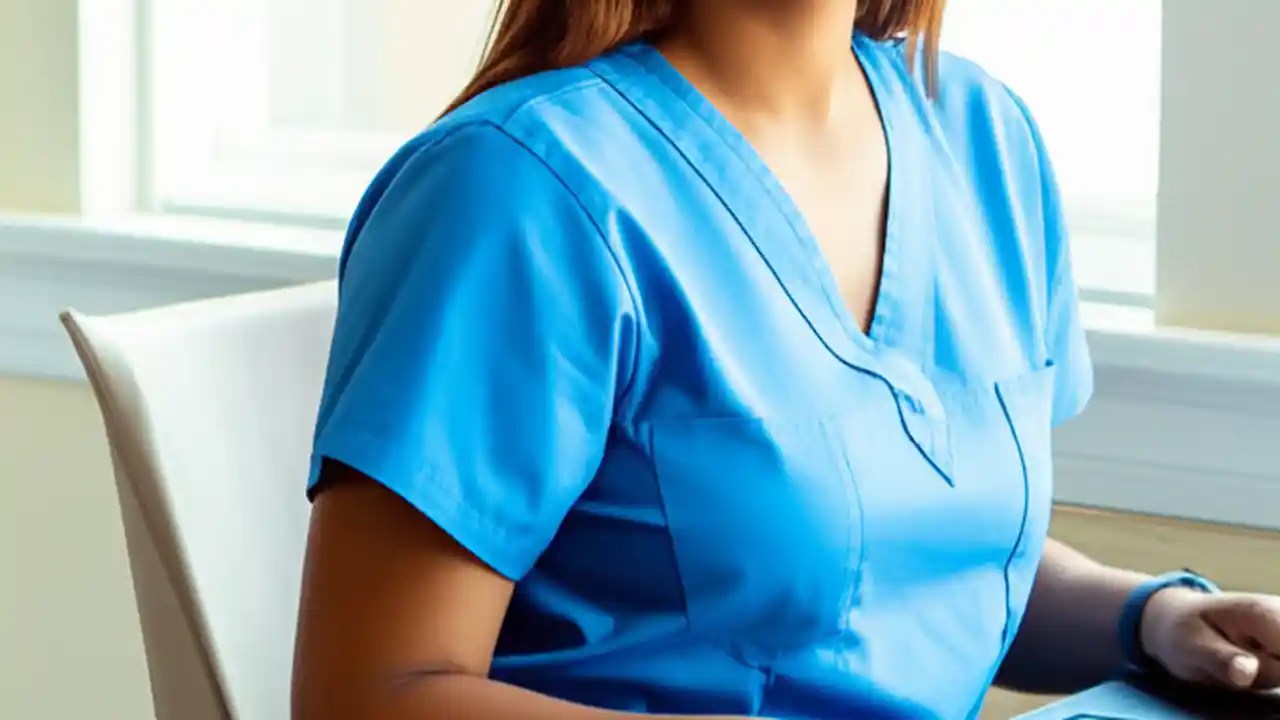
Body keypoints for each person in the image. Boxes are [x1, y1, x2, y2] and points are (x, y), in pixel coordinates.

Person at [290, 1, 1280, 718]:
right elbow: (369, 694)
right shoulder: (515, 190)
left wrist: (1152, 621)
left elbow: (920, 573)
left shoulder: (984, 136)